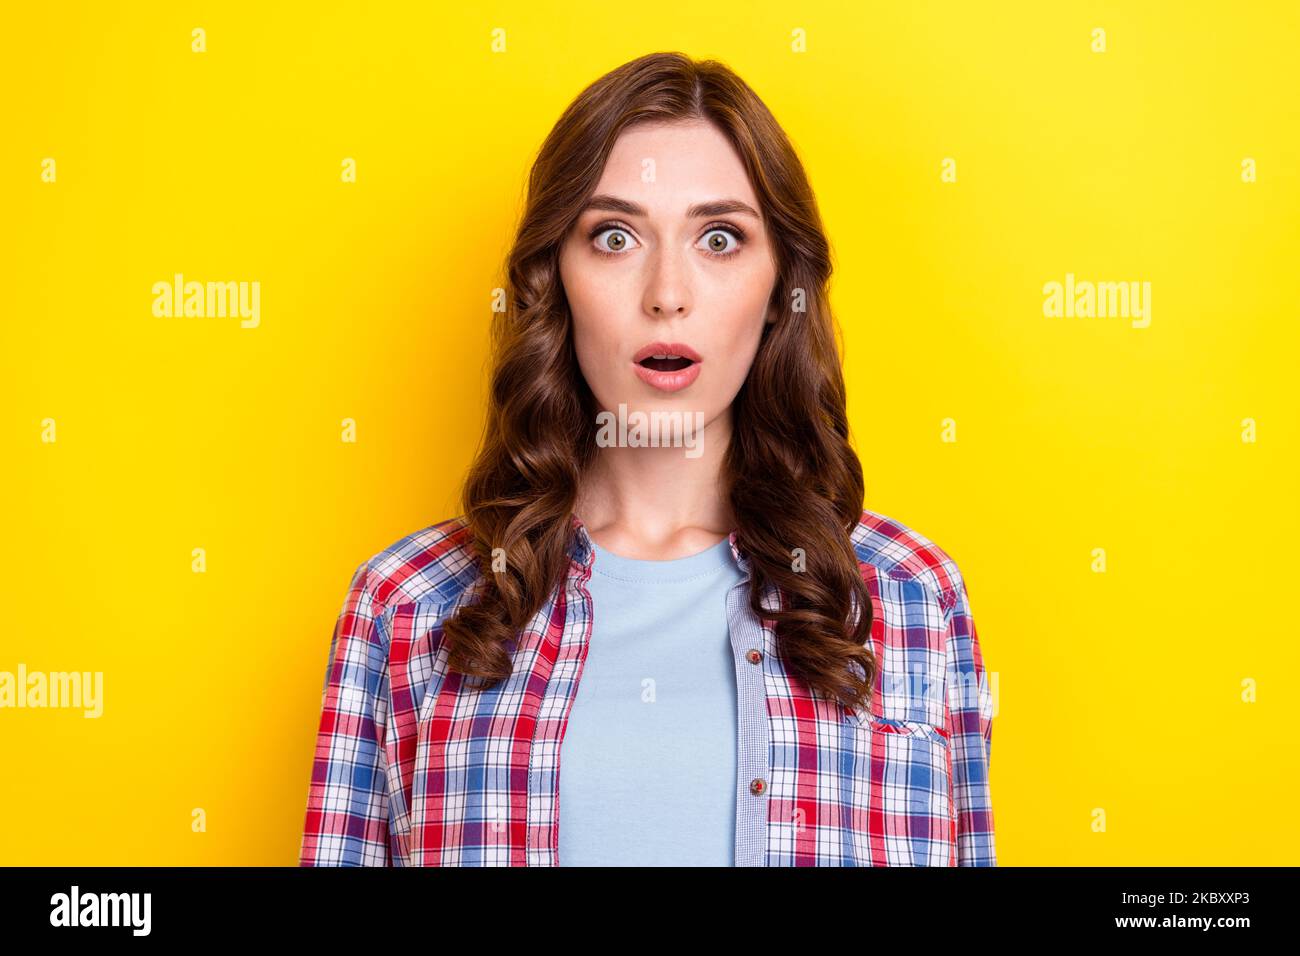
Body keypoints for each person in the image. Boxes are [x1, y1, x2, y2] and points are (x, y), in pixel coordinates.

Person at [299, 51, 995, 867]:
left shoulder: (911, 597)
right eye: (615, 237)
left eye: (720, 238)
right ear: (553, 279)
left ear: (782, 290)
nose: (667, 293)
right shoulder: (408, 607)